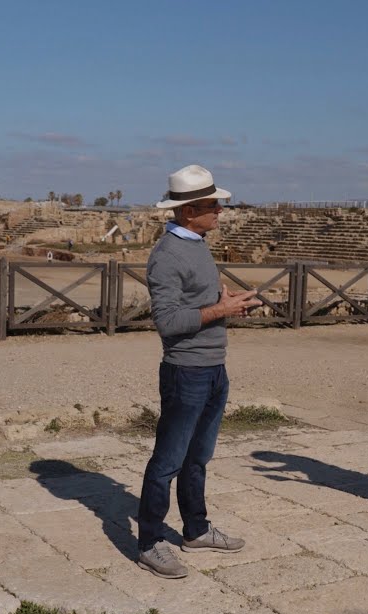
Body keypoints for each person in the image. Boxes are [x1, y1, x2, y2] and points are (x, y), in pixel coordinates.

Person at [136, 164, 261, 579]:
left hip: (213, 367)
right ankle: (150, 542)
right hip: (186, 372)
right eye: (213, 206)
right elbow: (168, 322)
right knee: (168, 461)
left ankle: (195, 530)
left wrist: (228, 303)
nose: (221, 212)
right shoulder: (167, 255)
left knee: (198, 458)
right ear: (189, 211)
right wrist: (220, 310)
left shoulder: (198, 243)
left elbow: (197, 305)